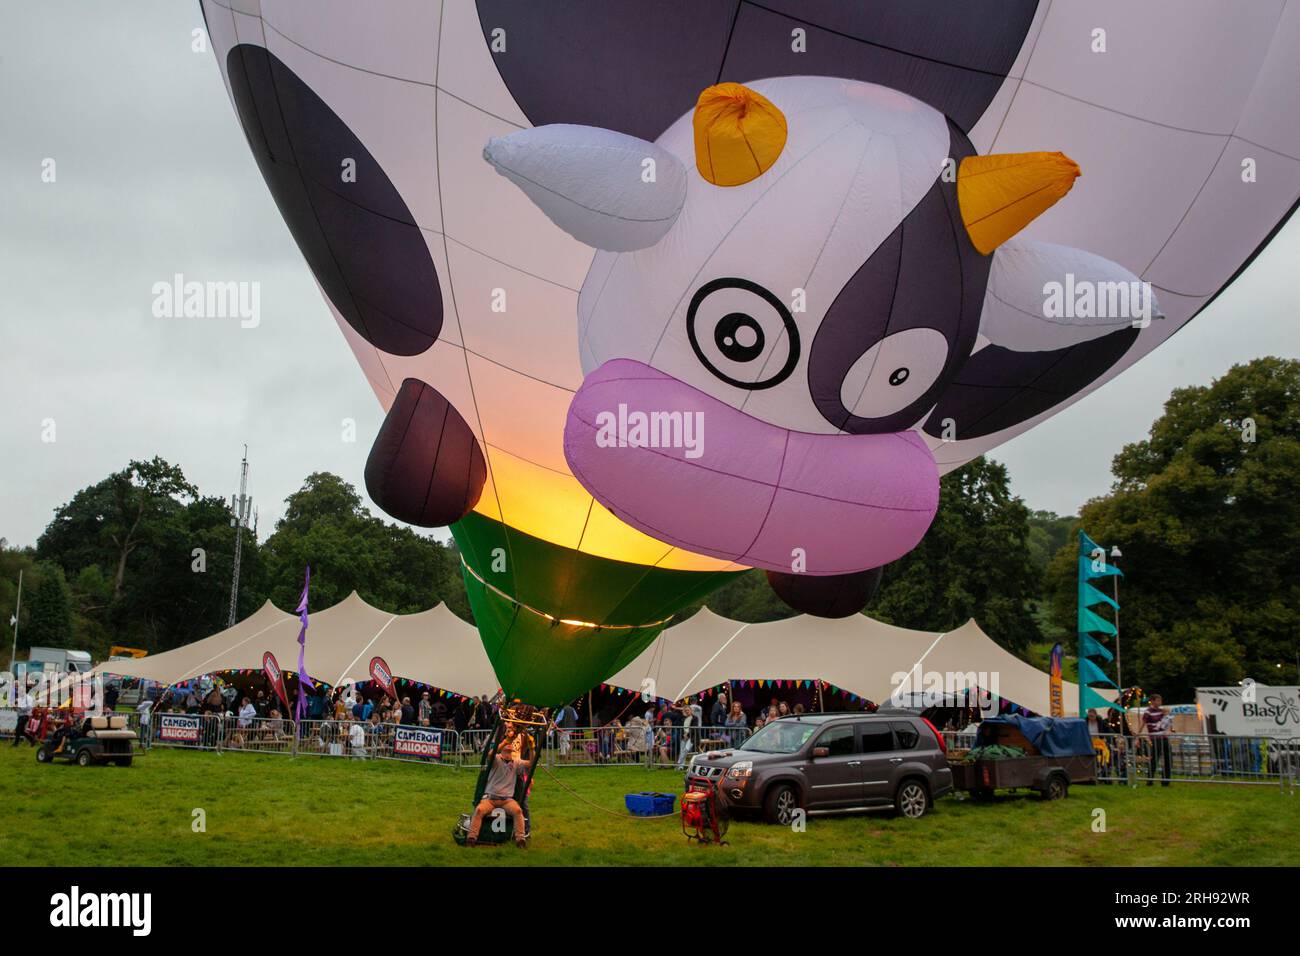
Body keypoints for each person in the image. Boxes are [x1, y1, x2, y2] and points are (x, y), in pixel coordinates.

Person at [467, 734, 529, 848]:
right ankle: (471, 837)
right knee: (479, 810)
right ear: (502, 750)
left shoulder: (516, 762)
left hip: (507, 800)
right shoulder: (496, 759)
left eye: (511, 749)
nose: (509, 751)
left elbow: (531, 764)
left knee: (518, 811)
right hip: (490, 798)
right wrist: (506, 741)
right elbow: (490, 754)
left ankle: (520, 839)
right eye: (507, 749)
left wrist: (533, 748)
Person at [1141, 694, 1172, 786]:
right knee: (1154, 759)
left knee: (1168, 758)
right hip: (1155, 738)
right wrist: (1138, 733)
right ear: (1152, 701)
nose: (1159, 702)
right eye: (1157, 701)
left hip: (1163, 737)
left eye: (1160, 701)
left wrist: (1167, 717)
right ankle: (1150, 780)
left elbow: (1166, 722)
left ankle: (1166, 781)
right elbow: (1143, 723)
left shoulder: (1161, 711)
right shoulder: (1148, 711)